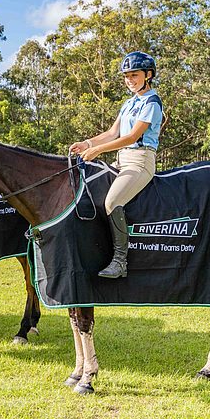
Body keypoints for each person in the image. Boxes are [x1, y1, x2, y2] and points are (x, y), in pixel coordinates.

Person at [69, 51, 163, 279]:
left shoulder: (152, 102)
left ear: (148, 75)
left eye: (135, 75)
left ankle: (121, 261)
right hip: (121, 160)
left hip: (140, 162)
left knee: (112, 201)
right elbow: (113, 132)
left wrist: (98, 150)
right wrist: (87, 143)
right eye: (127, 76)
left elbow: (131, 137)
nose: (130, 80)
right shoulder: (130, 103)